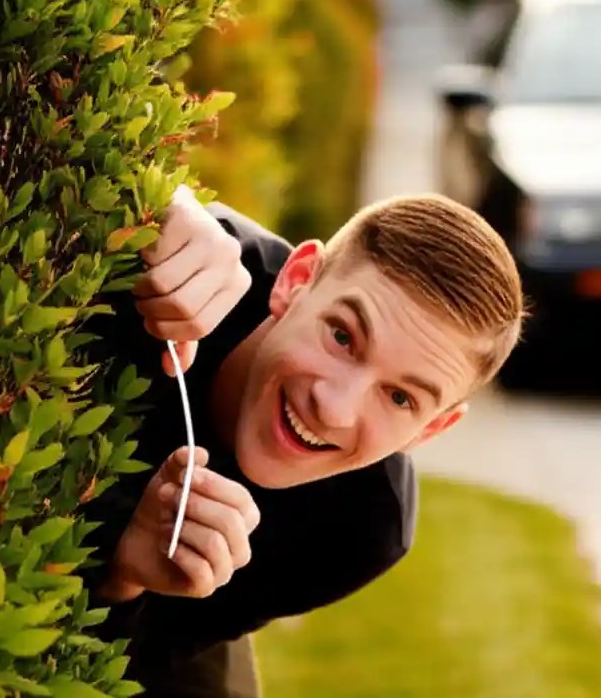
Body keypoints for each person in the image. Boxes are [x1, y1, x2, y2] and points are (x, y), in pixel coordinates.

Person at [79, 186, 526, 696]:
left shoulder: (364, 528)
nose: (333, 408)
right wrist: (160, 199)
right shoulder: (187, 270)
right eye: (341, 337)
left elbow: (148, 653)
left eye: (401, 398)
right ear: (295, 281)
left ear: (430, 431)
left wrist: (121, 577)